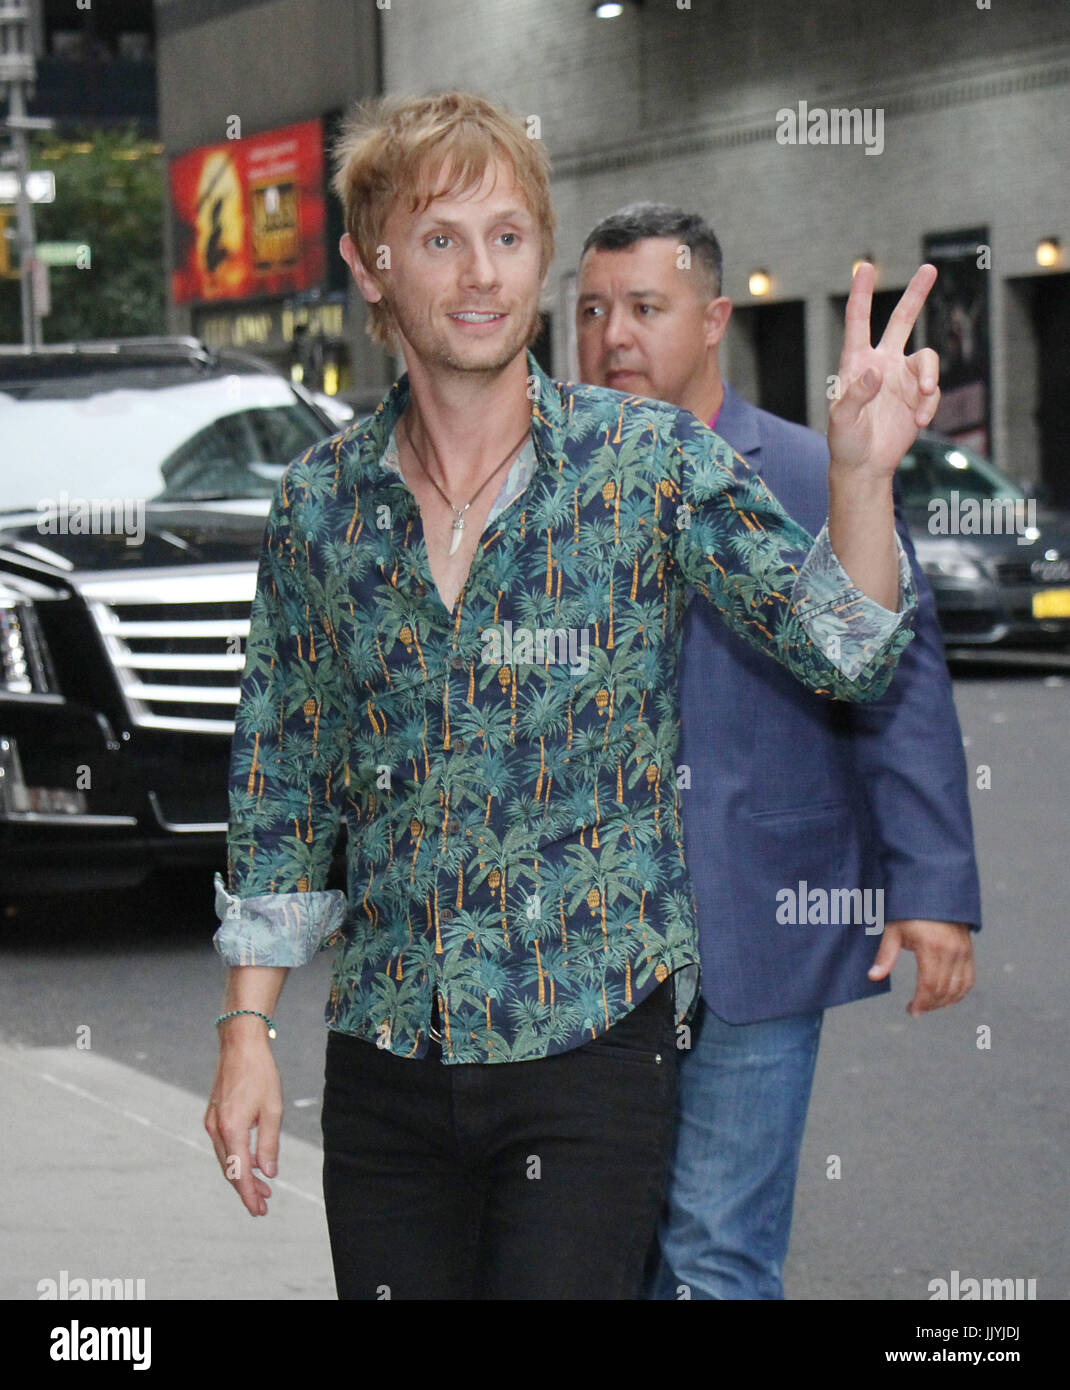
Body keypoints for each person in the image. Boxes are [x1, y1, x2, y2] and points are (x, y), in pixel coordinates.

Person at [202, 91, 939, 1301]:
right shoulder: (319, 505)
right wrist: (247, 1029)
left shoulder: (643, 462)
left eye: (508, 235)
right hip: (385, 1057)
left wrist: (856, 479)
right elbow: (282, 775)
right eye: (440, 239)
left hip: (590, 1046)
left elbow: (844, 649)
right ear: (368, 266)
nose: (482, 273)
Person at [575, 203, 981, 1301]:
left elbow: (898, 684)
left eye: (644, 308)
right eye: (592, 310)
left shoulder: (812, 475)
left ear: (712, 319)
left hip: (755, 921)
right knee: (596, 1254)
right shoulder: (544, 489)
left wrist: (929, 884)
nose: (612, 335)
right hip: (579, 950)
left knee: (716, 1252)